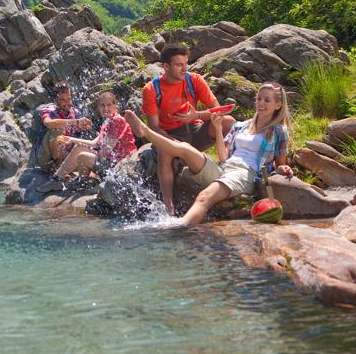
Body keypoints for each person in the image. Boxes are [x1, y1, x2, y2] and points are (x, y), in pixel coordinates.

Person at [124, 82, 293, 226]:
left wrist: (282, 168)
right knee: (184, 148)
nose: (261, 103)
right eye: (259, 99)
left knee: (204, 197)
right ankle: (145, 132)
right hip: (225, 168)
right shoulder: (241, 126)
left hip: (245, 174)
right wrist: (218, 129)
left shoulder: (278, 131)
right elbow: (223, 157)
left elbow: (280, 163)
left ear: (278, 105)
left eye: (267, 100)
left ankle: (177, 227)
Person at [141, 43, 236, 215]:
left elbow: (219, 112)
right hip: (169, 134)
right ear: (165, 66)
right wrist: (173, 144)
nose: (184, 69)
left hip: (194, 130)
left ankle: (230, 166)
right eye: (179, 65)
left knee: (229, 123)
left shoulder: (194, 80)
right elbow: (153, 127)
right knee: (164, 151)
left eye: (186, 63)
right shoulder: (151, 89)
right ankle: (169, 207)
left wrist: (196, 116)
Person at [47, 91, 138, 190]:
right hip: (112, 161)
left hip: (120, 165)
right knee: (79, 147)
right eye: (102, 105)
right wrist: (72, 139)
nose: (105, 108)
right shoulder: (108, 121)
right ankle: (70, 179)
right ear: (98, 107)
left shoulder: (117, 120)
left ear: (115, 105)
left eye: (109, 105)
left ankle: (79, 180)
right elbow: (94, 143)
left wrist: (88, 153)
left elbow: (106, 151)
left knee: (82, 156)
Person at [34, 82, 93, 192]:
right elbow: (48, 123)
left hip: (66, 155)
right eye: (63, 100)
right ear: (55, 99)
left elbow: (79, 130)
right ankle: (57, 169)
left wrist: (85, 127)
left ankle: (79, 176)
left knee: (85, 146)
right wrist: (75, 122)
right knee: (58, 129)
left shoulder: (74, 112)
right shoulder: (48, 110)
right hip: (47, 158)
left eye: (69, 99)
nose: (67, 103)